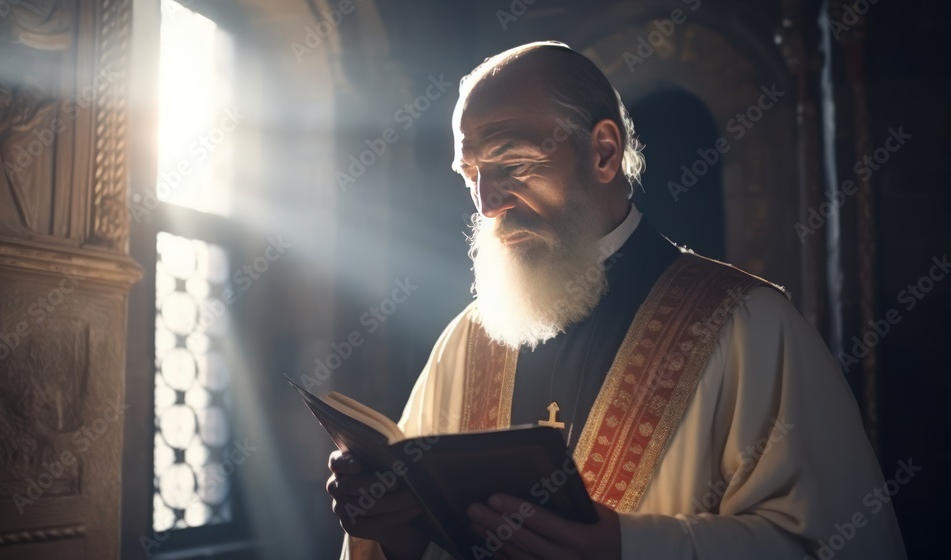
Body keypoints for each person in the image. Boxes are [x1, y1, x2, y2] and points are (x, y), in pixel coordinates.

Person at [326, 41, 907, 560]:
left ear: (604, 152)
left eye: (513, 164)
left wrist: (630, 547)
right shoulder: (469, 339)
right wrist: (395, 534)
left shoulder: (748, 325)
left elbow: (836, 543)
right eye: (471, 174)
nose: (487, 203)